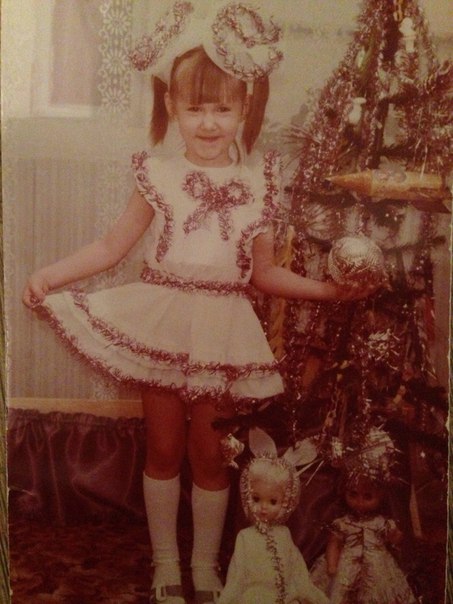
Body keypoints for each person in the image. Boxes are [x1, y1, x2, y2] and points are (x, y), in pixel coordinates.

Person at [22, 3, 374, 603]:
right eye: (195, 108)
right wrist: (50, 275)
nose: (209, 123)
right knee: (163, 449)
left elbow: (265, 273)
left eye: (223, 109)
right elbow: (111, 246)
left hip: (222, 330)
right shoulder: (157, 174)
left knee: (210, 458)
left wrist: (330, 290)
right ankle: (166, 565)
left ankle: (205, 566)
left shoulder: (259, 181)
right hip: (161, 321)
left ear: (245, 109)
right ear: (171, 107)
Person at [218, 429, 329, 604]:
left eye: (273, 501)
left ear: (286, 502)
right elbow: (236, 578)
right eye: (256, 499)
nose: (263, 507)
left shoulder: (284, 533)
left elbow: (298, 572)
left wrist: (315, 597)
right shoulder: (245, 537)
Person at [310, 476, 417, 603]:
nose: (359, 501)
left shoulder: (380, 522)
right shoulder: (343, 523)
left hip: (377, 566)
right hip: (347, 565)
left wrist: (396, 535)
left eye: (368, 497)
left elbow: (396, 539)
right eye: (353, 494)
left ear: (381, 496)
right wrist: (332, 565)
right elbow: (334, 543)